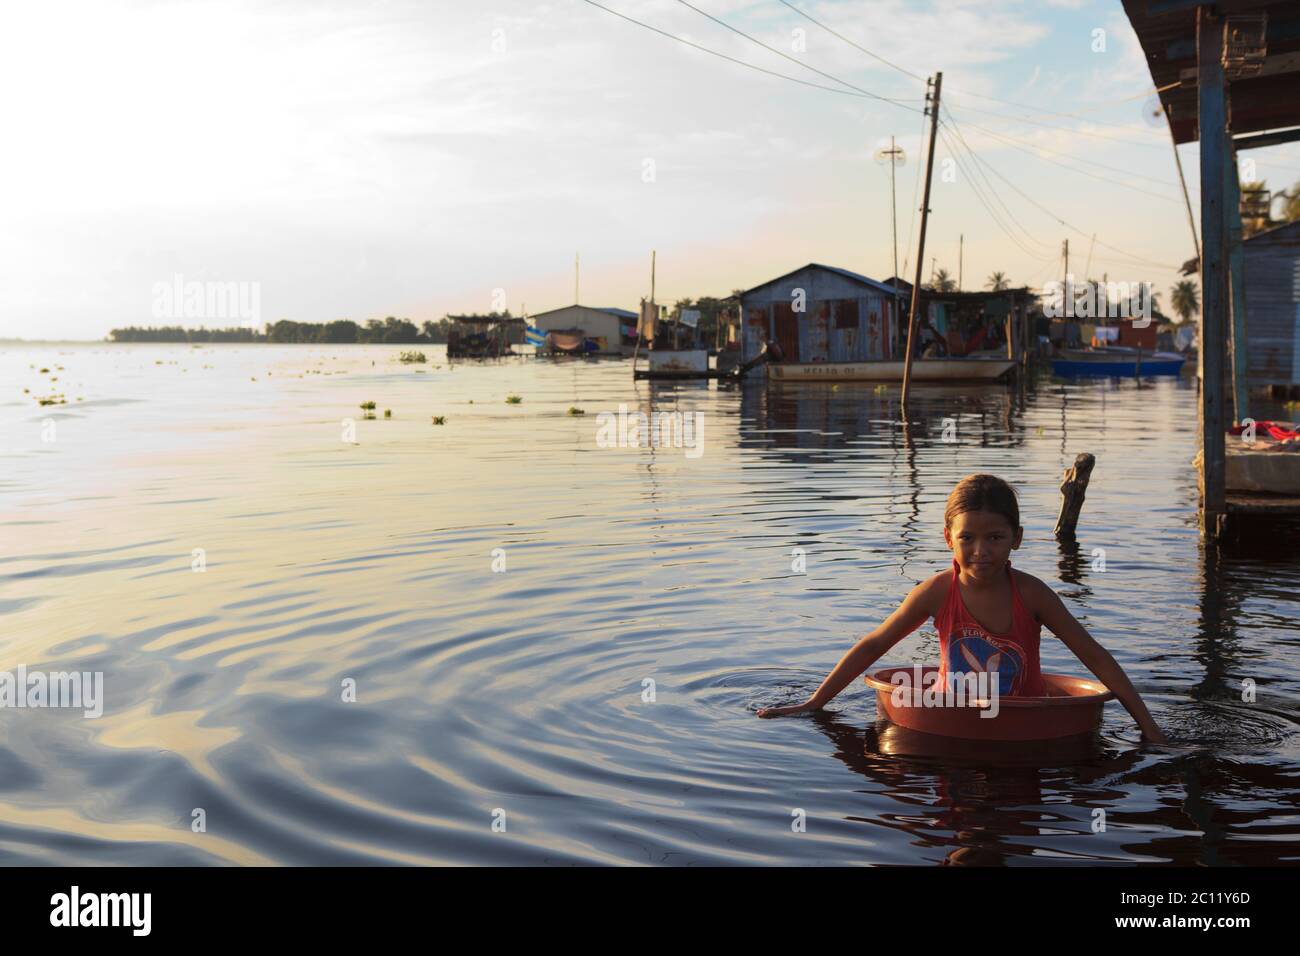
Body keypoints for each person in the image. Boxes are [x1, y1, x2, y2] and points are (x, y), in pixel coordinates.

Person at [757, 473, 1169, 742]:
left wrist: (1149, 728)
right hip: (946, 720)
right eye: (967, 537)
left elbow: (1094, 655)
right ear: (947, 538)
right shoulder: (937, 591)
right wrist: (814, 703)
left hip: (1023, 726)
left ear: (1017, 538)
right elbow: (873, 646)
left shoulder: (1033, 594)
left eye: (995, 537)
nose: (980, 551)